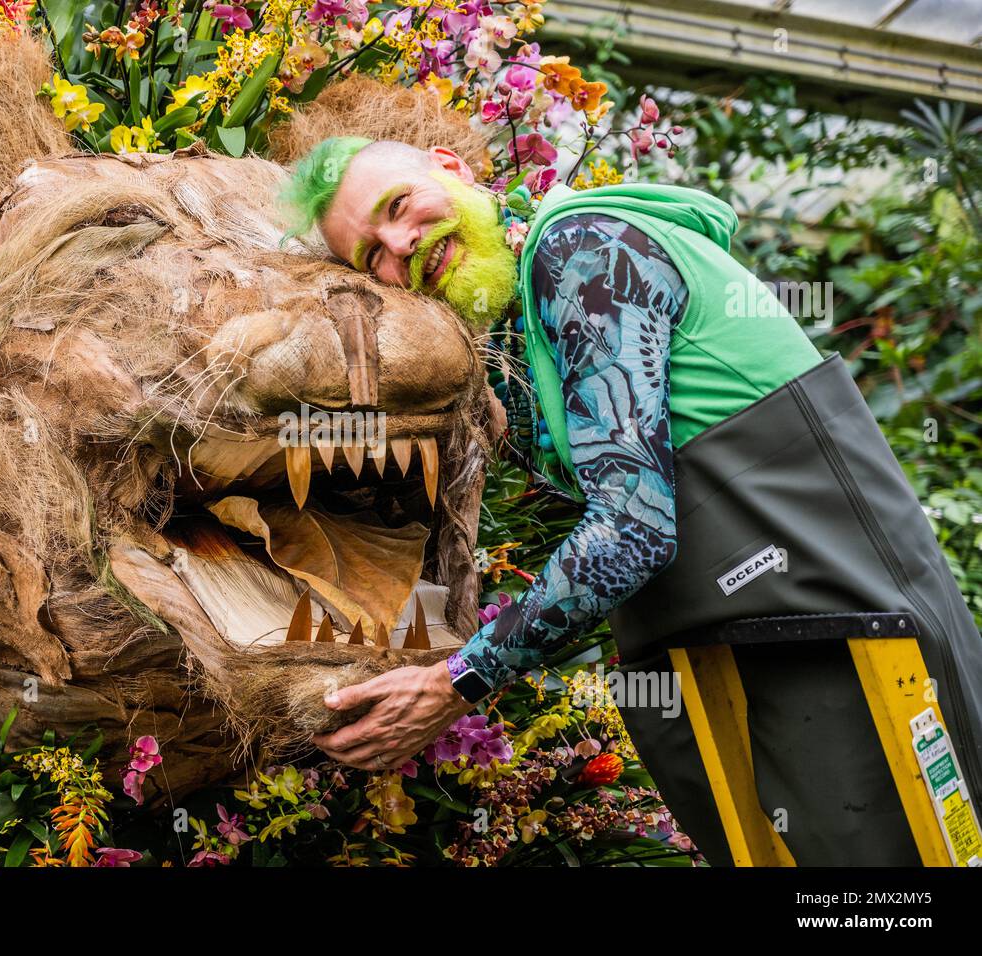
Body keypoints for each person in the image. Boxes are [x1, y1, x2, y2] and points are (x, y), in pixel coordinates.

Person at [278, 136, 982, 865]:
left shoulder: (584, 249)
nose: (401, 245)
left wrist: (455, 682)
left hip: (849, 640)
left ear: (450, 169)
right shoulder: (537, 304)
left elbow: (632, 527)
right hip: (792, 636)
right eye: (373, 258)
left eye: (399, 206)